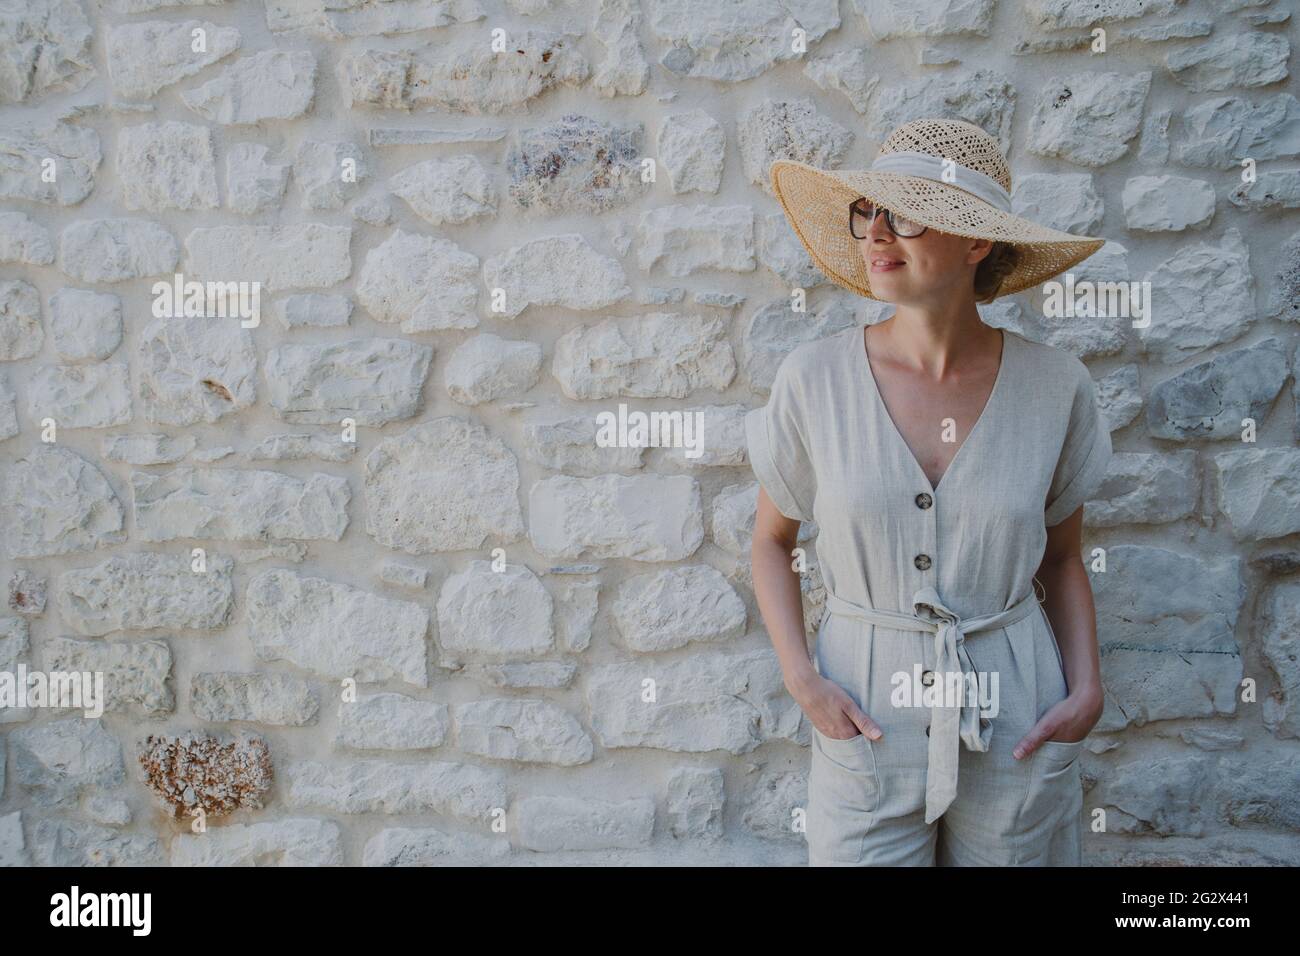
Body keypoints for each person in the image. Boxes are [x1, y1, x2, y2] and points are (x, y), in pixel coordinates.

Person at [745, 117, 1113, 866]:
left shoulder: (1055, 387)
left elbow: (1065, 558)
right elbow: (770, 542)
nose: (876, 234)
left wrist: (1086, 692)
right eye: (867, 212)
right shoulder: (814, 381)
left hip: (1017, 709)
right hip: (864, 708)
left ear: (976, 240)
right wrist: (802, 679)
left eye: (905, 215)